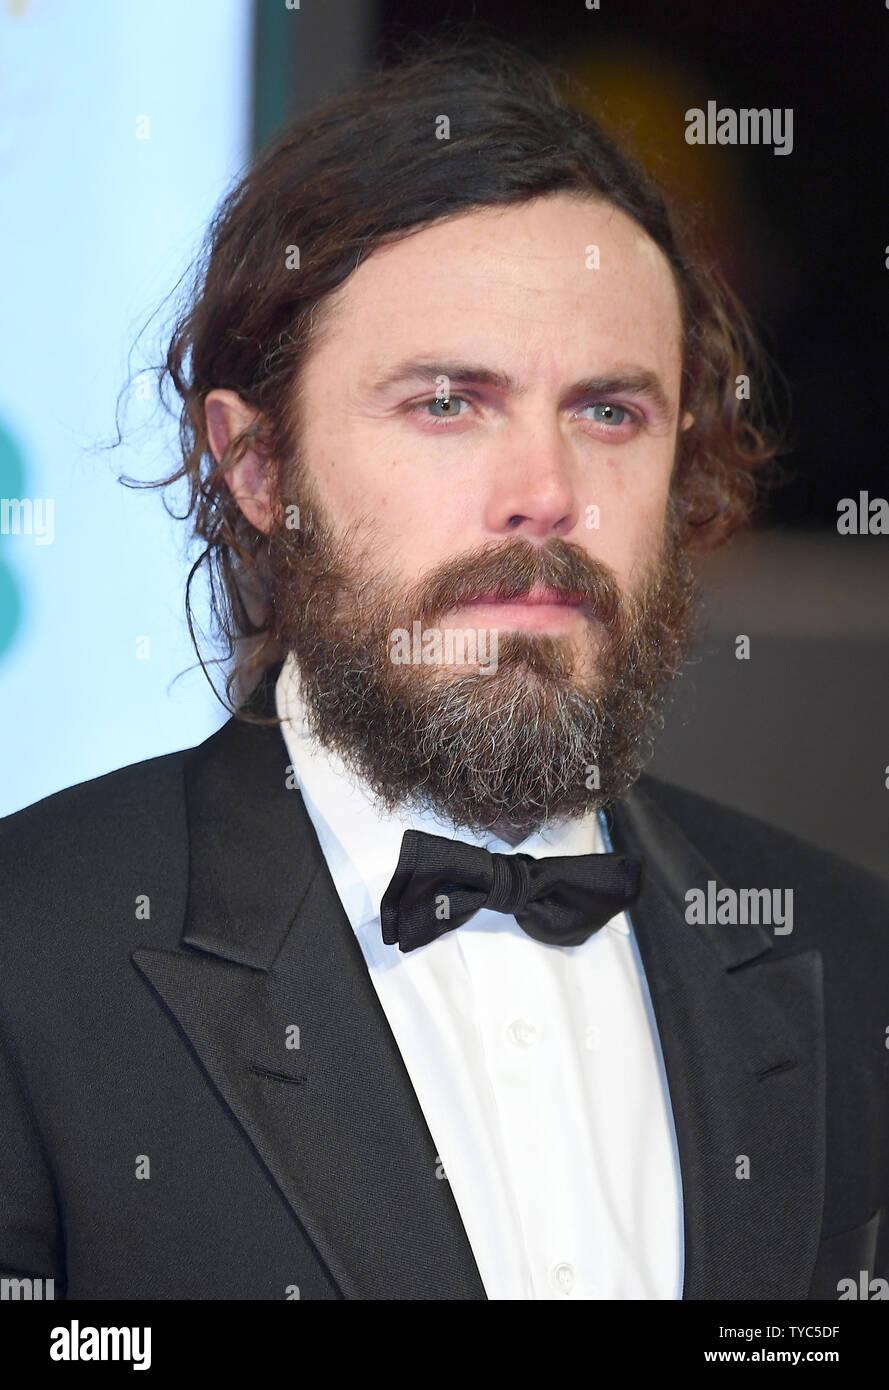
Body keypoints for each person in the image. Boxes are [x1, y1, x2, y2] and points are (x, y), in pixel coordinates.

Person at [1, 40, 886, 1302]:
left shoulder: (850, 956)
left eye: (608, 412)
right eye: (446, 403)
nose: (544, 497)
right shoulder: (30, 956)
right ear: (257, 470)